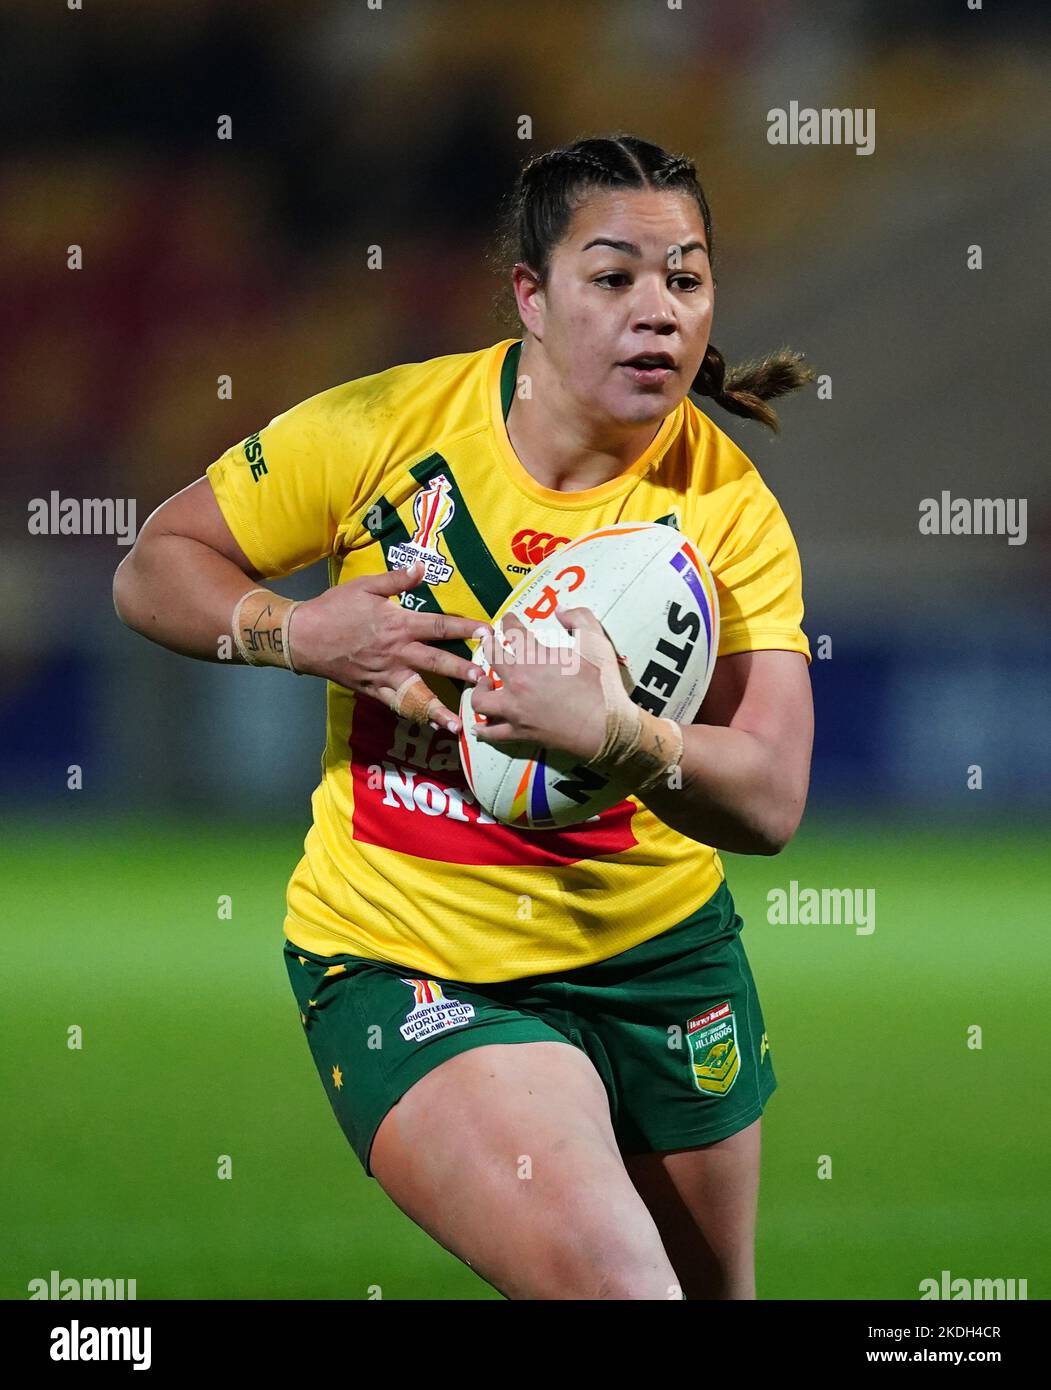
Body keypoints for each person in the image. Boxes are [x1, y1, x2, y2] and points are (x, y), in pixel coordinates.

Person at [113, 133, 815, 1301]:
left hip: (659, 960)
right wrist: (292, 633)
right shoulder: (383, 426)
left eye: (684, 278)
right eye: (614, 276)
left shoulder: (726, 510)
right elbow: (152, 565)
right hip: (416, 959)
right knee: (619, 1286)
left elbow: (773, 795)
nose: (658, 311)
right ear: (529, 298)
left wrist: (611, 734)